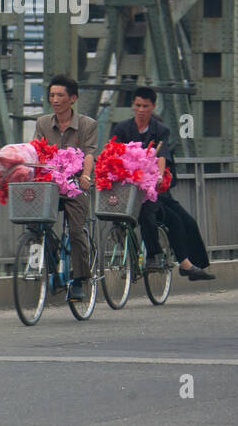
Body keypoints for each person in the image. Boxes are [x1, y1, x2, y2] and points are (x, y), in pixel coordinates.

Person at [108, 87, 214, 280]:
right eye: (138, 105)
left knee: (186, 220)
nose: (141, 110)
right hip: (128, 189)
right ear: (133, 105)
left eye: (145, 106)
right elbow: (112, 155)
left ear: (153, 107)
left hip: (155, 189)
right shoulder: (121, 129)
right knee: (171, 219)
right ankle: (184, 264)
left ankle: (192, 264)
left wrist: (157, 177)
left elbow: (162, 155)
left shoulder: (160, 130)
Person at [34, 75, 97, 301]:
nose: (55, 100)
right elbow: (36, 151)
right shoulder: (42, 123)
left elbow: (89, 153)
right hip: (50, 184)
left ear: (73, 98)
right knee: (35, 224)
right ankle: (52, 263)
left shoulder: (87, 125)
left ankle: (80, 279)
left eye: (60, 95)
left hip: (75, 183)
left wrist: (86, 175)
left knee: (76, 230)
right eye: (52, 95)